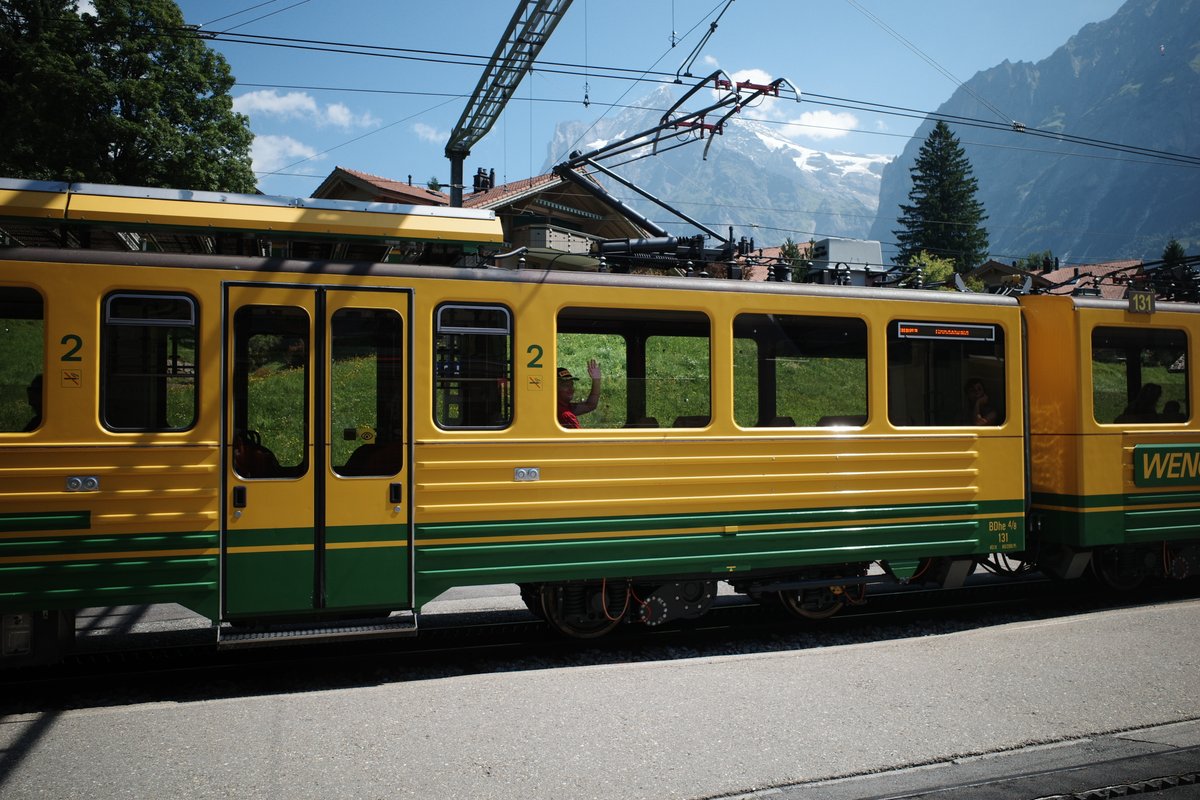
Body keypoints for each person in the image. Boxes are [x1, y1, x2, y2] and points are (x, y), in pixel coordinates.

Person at [557, 359, 602, 428]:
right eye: (565, 385)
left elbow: (590, 405)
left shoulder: (557, 407)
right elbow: (579, 439)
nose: (571, 389)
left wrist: (596, 380)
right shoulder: (566, 416)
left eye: (571, 385)